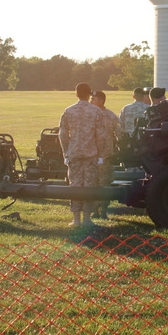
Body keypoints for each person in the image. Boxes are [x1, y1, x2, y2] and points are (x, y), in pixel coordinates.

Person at [59, 83, 103, 228]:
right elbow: (101, 136)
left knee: (75, 186)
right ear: (89, 94)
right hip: (91, 154)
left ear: (76, 94)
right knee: (89, 186)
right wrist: (101, 154)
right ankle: (87, 219)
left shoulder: (68, 111)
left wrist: (66, 152)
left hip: (74, 154)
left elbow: (63, 135)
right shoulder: (96, 111)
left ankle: (76, 219)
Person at [90, 90, 121, 220]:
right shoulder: (89, 114)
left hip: (106, 156)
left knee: (105, 182)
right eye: (91, 98)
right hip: (91, 155)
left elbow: (120, 133)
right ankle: (94, 210)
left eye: (94, 99)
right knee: (92, 182)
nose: (91, 101)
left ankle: (103, 210)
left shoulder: (111, 116)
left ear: (101, 100)